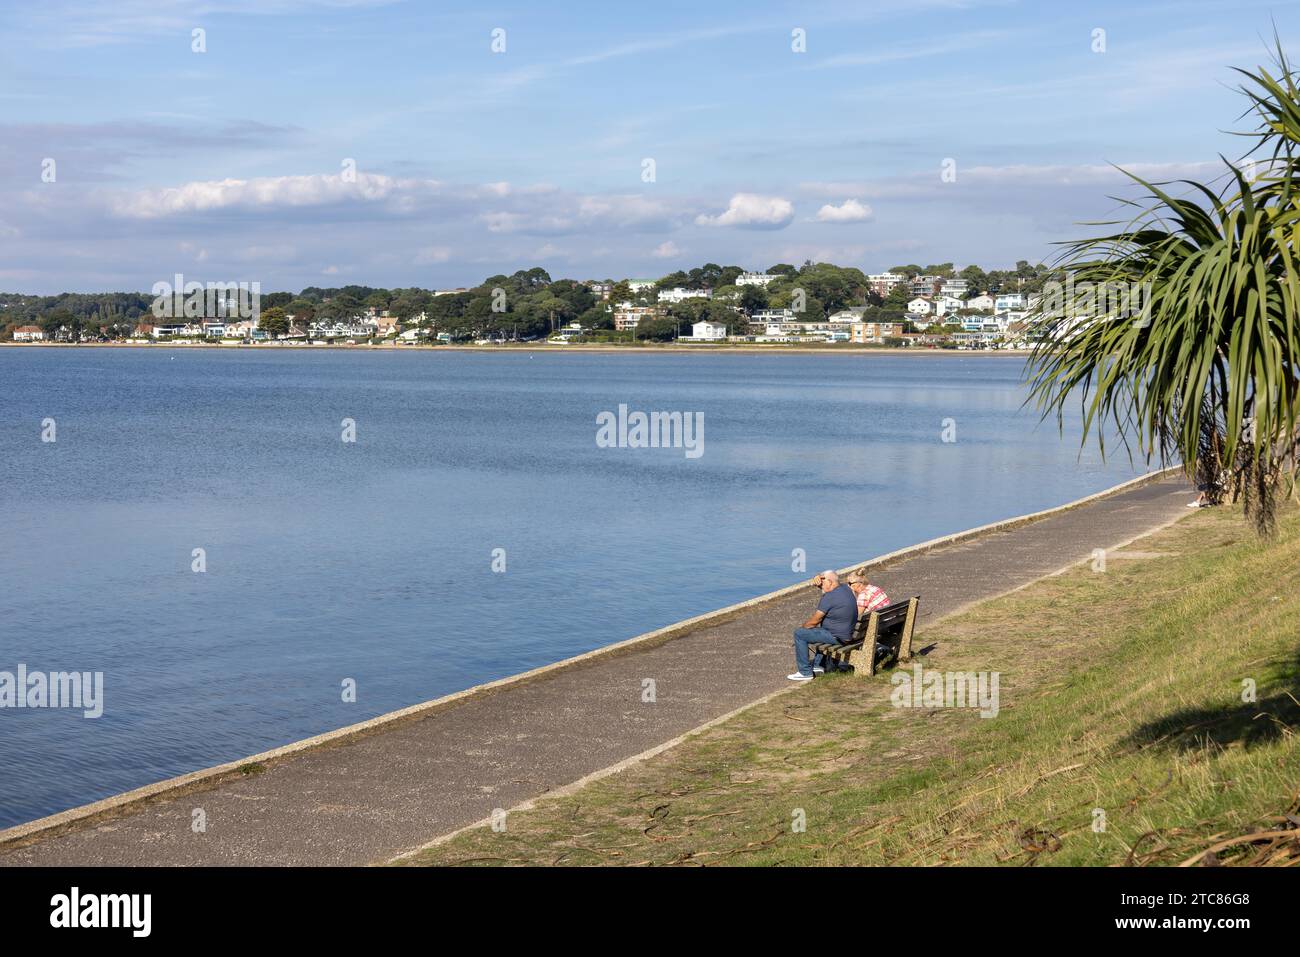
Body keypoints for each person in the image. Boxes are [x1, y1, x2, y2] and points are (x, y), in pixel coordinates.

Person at [788, 570, 858, 681]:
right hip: (847, 634)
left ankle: (805, 672)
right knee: (820, 630)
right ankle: (817, 665)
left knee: (800, 634)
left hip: (837, 637)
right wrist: (820, 583)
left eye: (823, 583)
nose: (821, 586)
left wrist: (803, 628)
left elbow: (814, 621)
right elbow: (828, 590)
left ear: (830, 582)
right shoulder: (846, 589)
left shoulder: (829, 597)